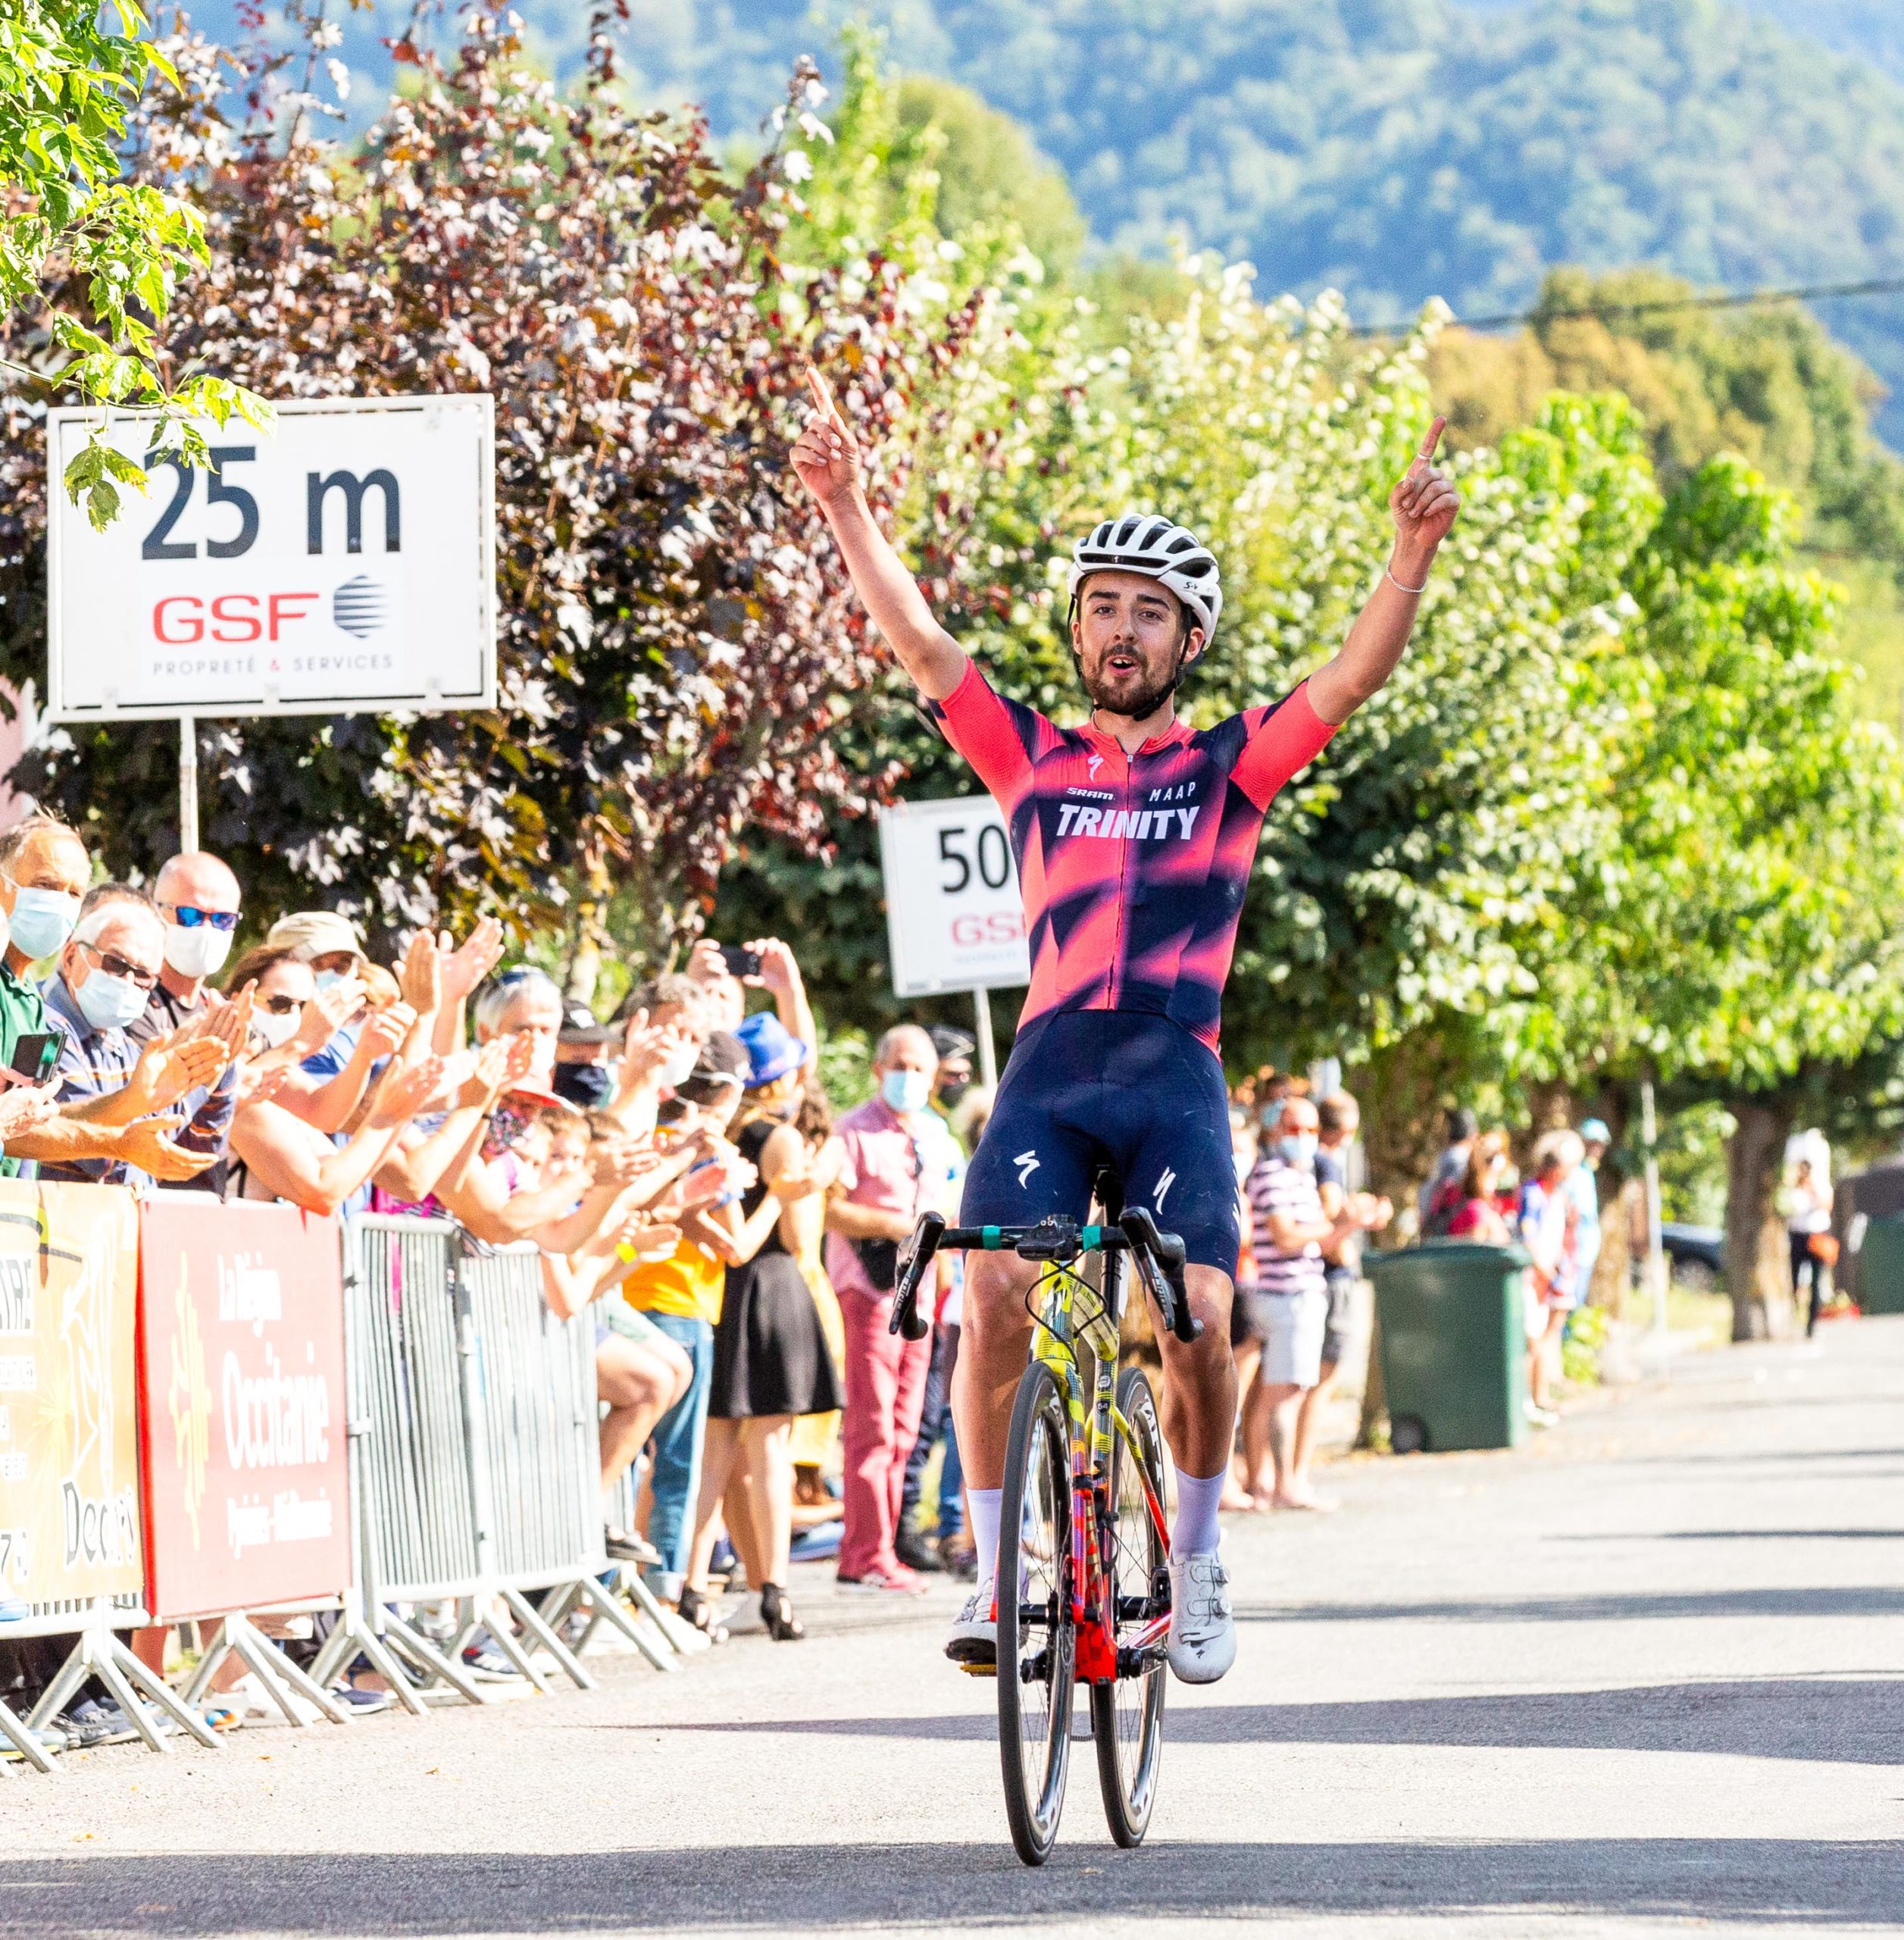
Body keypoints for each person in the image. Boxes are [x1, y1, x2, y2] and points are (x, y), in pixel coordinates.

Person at [793, 382, 1459, 1679]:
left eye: (1146, 610)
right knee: (990, 1296)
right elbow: (923, 643)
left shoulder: (1229, 766)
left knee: (1199, 1320)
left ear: (1184, 640)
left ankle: (1200, 1567)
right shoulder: (1029, 755)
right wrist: (845, 508)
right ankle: (994, 1585)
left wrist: (1406, 558)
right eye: (1101, 603)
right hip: (1047, 1075)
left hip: (1171, 1075)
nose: (1118, 626)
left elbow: (1349, 676)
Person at [685, 1011, 842, 1641]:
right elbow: (800, 1239)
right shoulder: (779, 1138)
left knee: (715, 1447)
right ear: (780, 1080)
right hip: (773, 1288)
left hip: (720, 1294)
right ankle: (773, 1586)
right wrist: (804, 1183)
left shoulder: (714, 1132)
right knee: (769, 1449)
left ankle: (692, 1583)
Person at [618, 1030, 756, 1625]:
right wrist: (774, 1194)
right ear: (727, 1093)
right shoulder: (706, 1147)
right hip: (678, 1308)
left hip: (630, 1298)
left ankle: (623, 1591)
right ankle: (662, 1596)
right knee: (673, 1461)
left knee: (626, 1457)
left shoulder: (646, 1131)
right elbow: (737, 1247)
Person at [824, 1024, 961, 1593]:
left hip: (925, 1291)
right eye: (899, 1065)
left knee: (907, 1429)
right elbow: (830, 1209)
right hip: (870, 1290)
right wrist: (897, 1227)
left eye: (920, 1068)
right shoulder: (851, 1131)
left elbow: (951, 1208)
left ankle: (884, 1547)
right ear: (879, 1070)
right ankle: (864, 1552)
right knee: (873, 1426)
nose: (908, 1076)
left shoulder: (937, 1134)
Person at [1243, 1094, 1388, 1510]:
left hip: (1303, 1296)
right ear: (1276, 1130)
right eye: (1294, 1130)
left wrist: (1352, 1223)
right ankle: (1278, 1484)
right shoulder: (1270, 1175)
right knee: (1279, 1396)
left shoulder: (1300, 1177)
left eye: (1309, 1130)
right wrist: (1335, 1224)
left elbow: (1321, 1240)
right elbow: (1287, 1237)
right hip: (1282, 1296)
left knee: (1285, 1391)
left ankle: (1273, 1482)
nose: (1303, 1138)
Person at [1301, 1090, 1387, 1491]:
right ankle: (1297, 1473)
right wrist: (1361, 1217)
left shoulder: (1311, 1161)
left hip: (1324, 1277)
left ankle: (1293, 1472)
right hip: (1333, 1276)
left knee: (1310, 1382)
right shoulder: (1326, 1163)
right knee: (1321, 1380)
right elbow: (1334, 1212)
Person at [1518, 1129, 1584, 1425]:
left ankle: (1539, 1396)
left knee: (1546, 1338)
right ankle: (1530, 1397)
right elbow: (1529, 1233)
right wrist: (1543, 1269)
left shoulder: (1559, 1196)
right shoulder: (1534, 1193)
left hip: (1555, 1274)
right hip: (1538, 1277)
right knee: (1534, 1340)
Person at [1784, 1156, 1834, 1335]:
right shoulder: (1791, 1190)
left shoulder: (1821, 1186)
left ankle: (1811, 1325)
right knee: (1793, 1281)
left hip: (1817, 1236)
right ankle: (1793, 1319)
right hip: (1798, 1236)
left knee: (1816, 1283)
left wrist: (1812, 1189)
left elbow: (1827, 1206)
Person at [1566, 1118, 1609, 1306]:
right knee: (1570, 1302)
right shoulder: (1571, 1172)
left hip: (1586, 1250)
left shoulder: (1588, 1171)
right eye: (1593, 1143)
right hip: (1573, 1251)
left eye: (1600, 1144)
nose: (1597, 1149)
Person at [1419, 1107, 1478, 1236]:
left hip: (1432, 1230)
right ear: (1473, 1136)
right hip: (1456, 1232)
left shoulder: (1440, 1159)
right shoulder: (1466, 1161)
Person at [1446, 1132, 1513, 1242]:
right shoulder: (1476, 1211)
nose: (1496, 1182)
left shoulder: (1481, 1208)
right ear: (1485, 1173)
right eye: (1494, 1175)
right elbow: (1476, 1255)